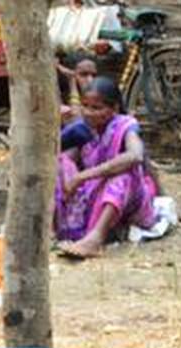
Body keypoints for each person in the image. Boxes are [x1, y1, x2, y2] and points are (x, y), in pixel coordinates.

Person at [54, 76, 158, 259]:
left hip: (130, 200)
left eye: (96, 108)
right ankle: (53, 230)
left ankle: (95, 239)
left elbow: (135, 156)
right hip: (94, 194)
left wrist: (81, 177)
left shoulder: (125, 125)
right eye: (85, 106)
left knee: (123, 175)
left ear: (114, 109)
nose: (88, 112)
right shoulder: (83, 130)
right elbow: (60, 158)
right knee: (58, 163)